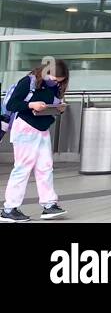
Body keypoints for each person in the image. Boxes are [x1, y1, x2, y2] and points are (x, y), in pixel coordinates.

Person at [1, 60, 70, 222]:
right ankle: (9, 208)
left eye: (59, 81)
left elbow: (51, 103)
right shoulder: (28, 81)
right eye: (53, 79)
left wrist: (59, 107)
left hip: (42, 127)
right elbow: (11, 104)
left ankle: (49, 204)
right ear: (45, 72)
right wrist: (32, 104)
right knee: (22, 168)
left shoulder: (53, 86)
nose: (55, 83)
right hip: (25, 127)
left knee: (45, 167)